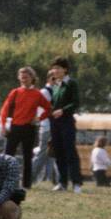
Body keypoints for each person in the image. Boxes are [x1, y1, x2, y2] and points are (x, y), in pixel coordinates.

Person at [0, 66, 50, 189]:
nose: (24, 80)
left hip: (29, 128)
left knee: (28, 157)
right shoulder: (15, 92)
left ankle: (26, 185)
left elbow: (48, 109)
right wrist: (3, 125)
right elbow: (4, 110)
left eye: (26, 77)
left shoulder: (37, 94)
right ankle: (5, 183)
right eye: (21, 78)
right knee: (8, 156)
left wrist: (39, 118)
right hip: (14, 128)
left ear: (32, 78)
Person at [47, 58, 83, 193]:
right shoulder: (56, 85)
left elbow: (76, 102)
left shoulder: (71, 83)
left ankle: (77, 183)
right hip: (55, 123)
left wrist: (62, 110)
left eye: (57, 68)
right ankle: (62, 182)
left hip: (67, 122)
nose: (54, 71)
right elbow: (53, 104)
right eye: (53, 68)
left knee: (70, 152)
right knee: (59, 153)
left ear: (65, 70)